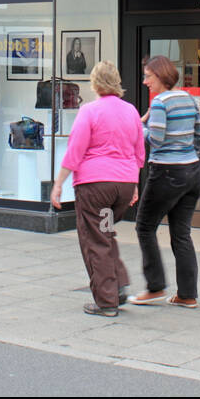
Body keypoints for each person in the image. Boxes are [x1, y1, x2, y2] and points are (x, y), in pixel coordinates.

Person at [52, 61, 144, 317]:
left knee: (94, 240)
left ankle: (106, 301)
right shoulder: (131, 111)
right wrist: (134, 184)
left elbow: (75, 150)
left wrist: (58, 183)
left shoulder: (89, 111)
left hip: (95, 186)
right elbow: (139, 153)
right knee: (105, 233)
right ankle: (119, 284)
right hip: (122, 186)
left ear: (94, 83)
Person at [128, 55, 200, 309]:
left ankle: (155, 286)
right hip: (192, 172)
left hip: (166, 173)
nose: (145, 81)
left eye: (148, 76)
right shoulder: (188, 99)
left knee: (144, 226)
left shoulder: (160, 103)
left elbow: (156, 140)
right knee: (182, 234)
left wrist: (138, 126)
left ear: (160, 76)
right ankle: (187, 294)